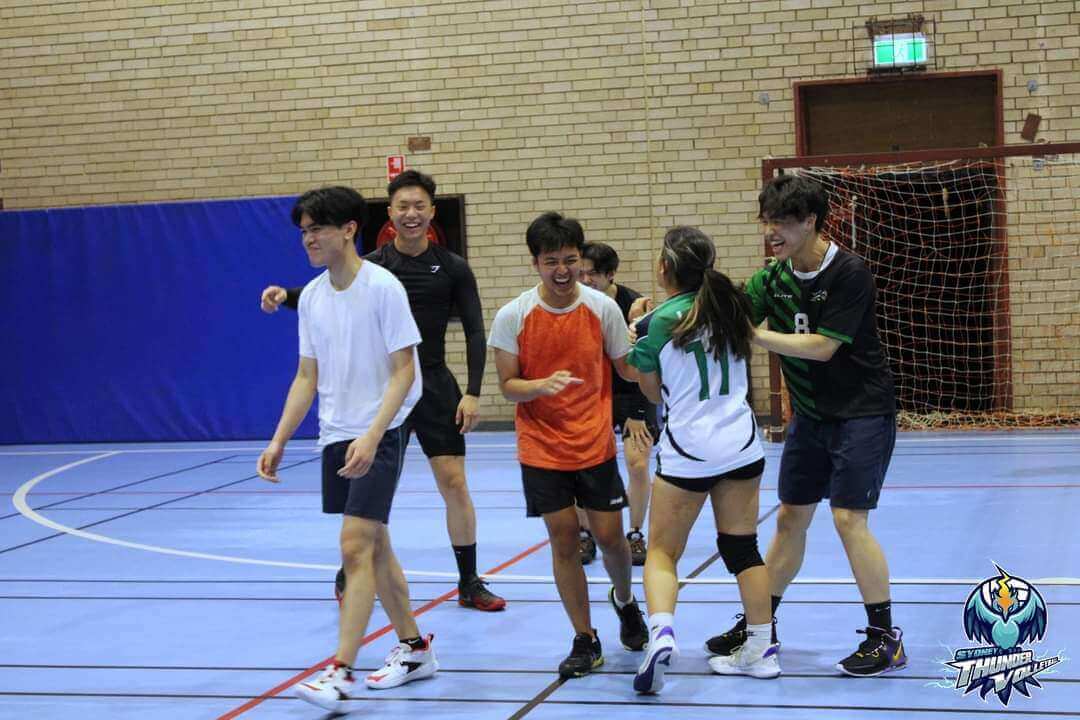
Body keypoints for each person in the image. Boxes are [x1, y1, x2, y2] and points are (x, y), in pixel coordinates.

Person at [261, 170, 505, 611]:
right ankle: (352, 566)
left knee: (453, 482)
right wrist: (286, 295)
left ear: (431, 212)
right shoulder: (374, 267)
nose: (411, 214)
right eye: (402, 207)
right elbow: (330, 290)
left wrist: (471, 391)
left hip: (431, 383)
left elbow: (473, 330)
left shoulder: (452, 268)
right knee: (373, 481)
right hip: (384, 389)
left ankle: (469, 579)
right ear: (390, 213)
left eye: (419, 206)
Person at [706, 174, 906, 677]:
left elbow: (822, 347)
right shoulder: (769, 279)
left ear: (811, 222)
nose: (771, 233)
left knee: (847, 519)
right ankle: (759, 623)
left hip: (862, 412)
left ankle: (886, 637)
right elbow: (727, 315)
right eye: (767, 221)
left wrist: (755, 335)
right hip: (811, 418)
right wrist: (666, 310)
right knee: (790, 519)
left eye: (783, 223)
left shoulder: (849, 272)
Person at [256, 186, 437, 712]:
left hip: (381, 429)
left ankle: (340, 671)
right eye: (305, 230)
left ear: (349, 230)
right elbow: (306, 376)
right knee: (376, 547)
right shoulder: (311, 297)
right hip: (338, 433)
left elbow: (406, 371)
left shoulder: (383, 288)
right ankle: (414, 649)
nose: (309, 238)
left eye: (318, 228)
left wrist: (375, 433)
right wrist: (279, 440)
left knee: (354, 546)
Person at [488, 211, 649, 678]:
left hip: (594, 443)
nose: (562, 270)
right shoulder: (512, 316)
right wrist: (540, 386)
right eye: (551, 260)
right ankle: (585, 637)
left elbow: (626, 370)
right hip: (540, 446)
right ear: (535, 263)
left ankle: (624, 601)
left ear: (582, 261)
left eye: (571, 260)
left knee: (611, 539)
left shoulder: (602, 309)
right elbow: (508, 385)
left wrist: (654, 347)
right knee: (564, 540)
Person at [626, 226, 778, 693]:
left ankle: (663, 633)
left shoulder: (656, 324)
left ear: (665, 269)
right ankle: (762, 649)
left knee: (662, 553)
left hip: (689, 449)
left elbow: (651, 390)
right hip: (740, 443)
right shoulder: (732, 304)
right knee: (742, 549)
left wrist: (638, 331)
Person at [576, 242, 656, 567]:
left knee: (637, 463)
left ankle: (635, 534)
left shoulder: (634, 306)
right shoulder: (574, 305)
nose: (585, 280)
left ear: (611, 274)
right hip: (591, 395)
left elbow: (645, 362)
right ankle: (584, 533)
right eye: (581, 273)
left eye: (592, 274)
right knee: (580, 466)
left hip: (631, 394)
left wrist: (637, 412)